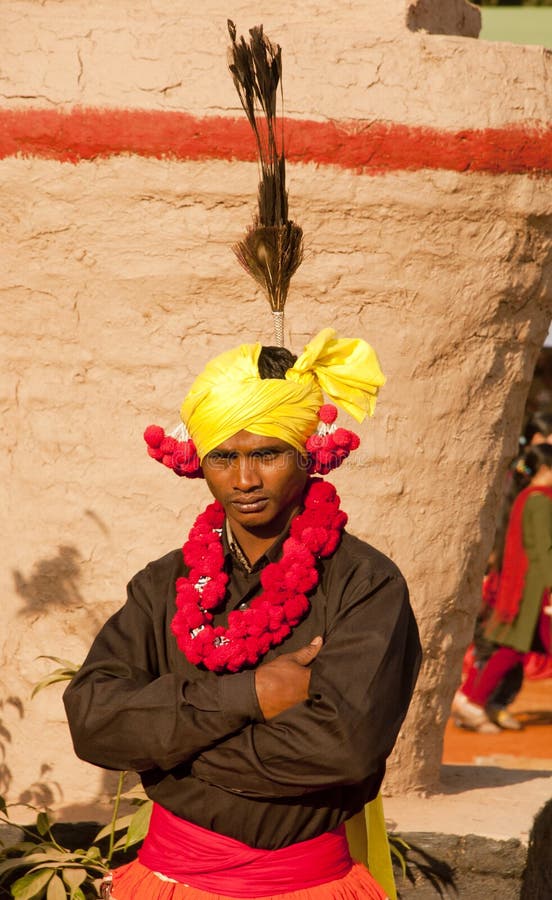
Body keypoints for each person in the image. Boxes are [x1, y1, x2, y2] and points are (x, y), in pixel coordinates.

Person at [63, 330, 421, 900]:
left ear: (307, 452)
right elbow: (93, 719)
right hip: (168, 881)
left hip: (304, 885)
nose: (245, 479)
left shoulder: (366, 584)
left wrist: (168, 749)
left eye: (267, 454)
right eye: (224, 457)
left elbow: (344, 748)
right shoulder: (164, 582)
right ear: (199, 462)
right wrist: (249, 694)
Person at [452, 443, 552, 732]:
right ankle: (473, 699)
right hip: (530, 590)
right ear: (545, 470)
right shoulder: (540, 501)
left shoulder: (525, 497)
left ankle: (480, 700)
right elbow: (543, 549)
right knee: (511, 648)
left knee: (510, 646)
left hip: (520, 586)